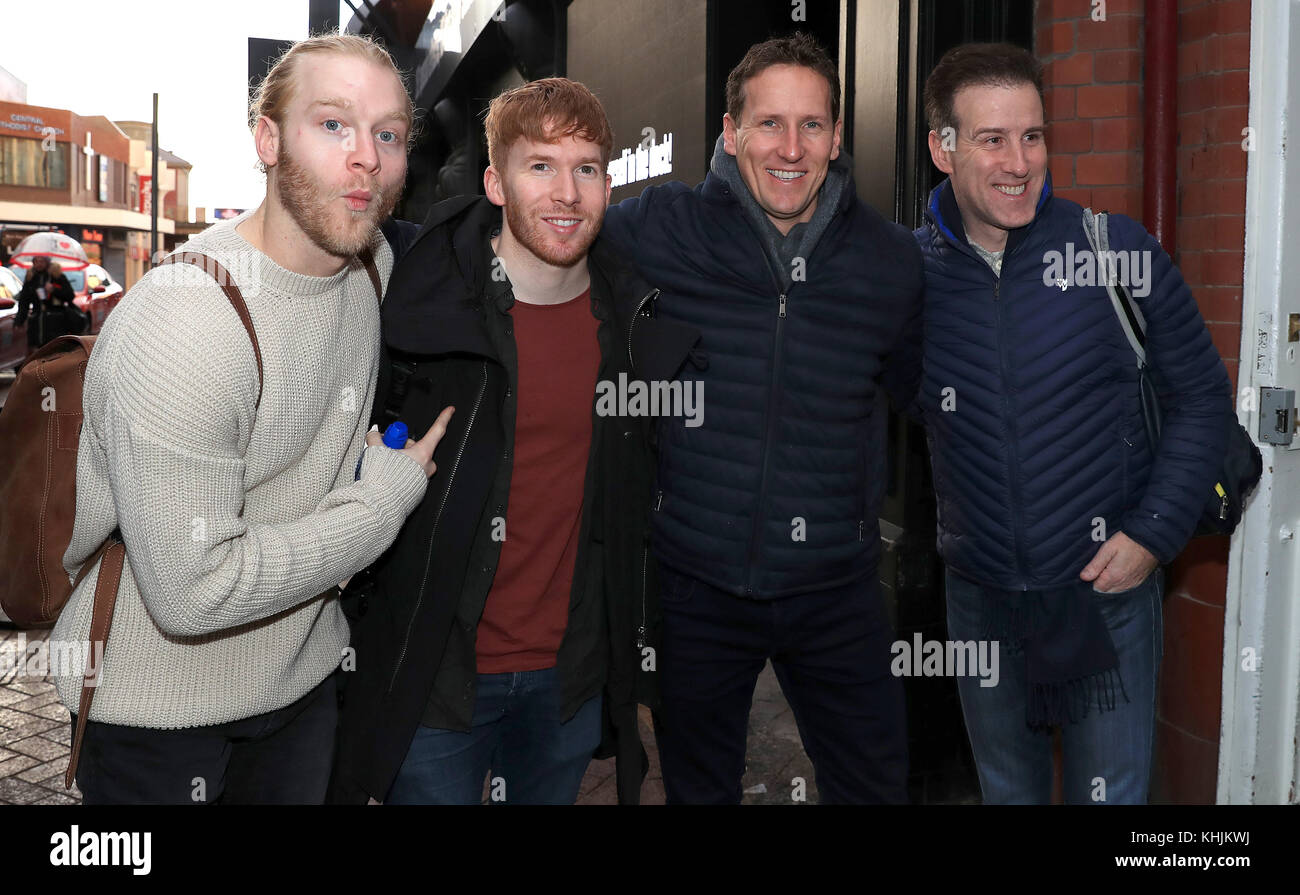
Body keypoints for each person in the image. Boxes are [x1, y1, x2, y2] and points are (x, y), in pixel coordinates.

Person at [51, 33, 453, 805]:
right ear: (266, 138)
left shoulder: (373, 266)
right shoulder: (185, 322)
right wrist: (381, 500)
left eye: (389, 133)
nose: (365, 155)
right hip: (157, 716)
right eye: (332, 124)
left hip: (301, 684)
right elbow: (194, 591)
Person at [329, 77, 699, 805]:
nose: (567, 192)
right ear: (496, 183)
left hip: (568, 682)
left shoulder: (630, 320)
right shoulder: (421, 300)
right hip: (440, 680)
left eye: (587, 168)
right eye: (541, 167)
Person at [599, 32, 924, 804]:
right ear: (730, 130)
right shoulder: (660, 226)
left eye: (812, 124)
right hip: (697, 582)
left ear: (838, 136)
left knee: (876, 787)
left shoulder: (889, 259)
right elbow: (548, 232)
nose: (790, 147)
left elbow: (923, 389)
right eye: (768, 123)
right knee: (700, 789)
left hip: (836, 590)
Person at [914, 42, 1231, 804]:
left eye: (1033, 135)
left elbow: (1203, 399)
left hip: (1107, 595)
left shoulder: (1115, 250)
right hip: (982, 598)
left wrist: (1154, 534)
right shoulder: (907, 275)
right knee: (1006, 792)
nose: (1019, 162)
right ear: (942, 148)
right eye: (992, 139)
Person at [13, 254, 53, 349]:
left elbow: (69, 295)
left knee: (51, 350)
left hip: (52, 320)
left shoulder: (54, 276)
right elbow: (24, 302)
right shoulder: (30, 278)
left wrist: (54, 290)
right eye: (36, 261)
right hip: (36, 319)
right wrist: (19, 321)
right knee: (35, 350)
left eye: (41, 261)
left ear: (47, 263)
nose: (39, 264)